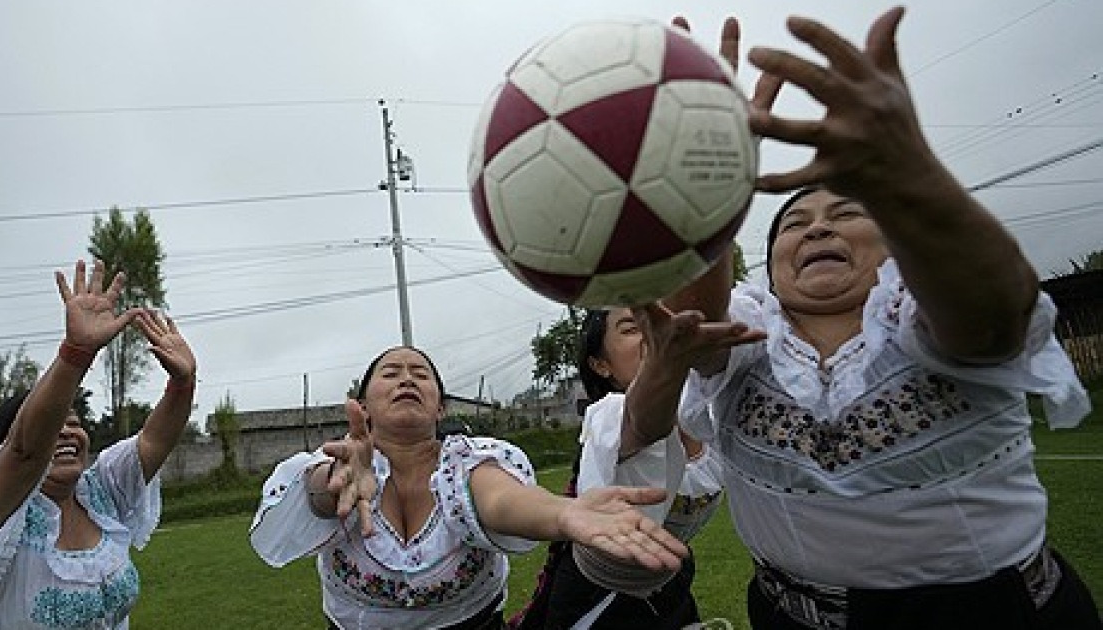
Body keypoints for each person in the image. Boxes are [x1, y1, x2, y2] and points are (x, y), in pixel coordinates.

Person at [675, 7, 1100, 629]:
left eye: (847, 213)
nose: (817, 224)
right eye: (793, 223)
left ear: (899, 245)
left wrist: (911, 176)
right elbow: (694, 323)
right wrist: (709, 187)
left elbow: (993, 318)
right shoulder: (751, 327)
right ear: (770, 271)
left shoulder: (920, 304)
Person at [249, 345, 690, 630]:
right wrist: (335, 481)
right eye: (391, 373)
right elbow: (320, 497)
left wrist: (563, 514)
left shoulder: (468, 460)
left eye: (420, 374)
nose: (406, 378)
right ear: (362, 405)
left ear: (439, 406)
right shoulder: (336, 462)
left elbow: (498, 498)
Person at [0, 260, 198, 629]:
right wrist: (76, 353)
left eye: (75, 424)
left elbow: (154, 439)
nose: (66, 433)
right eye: (53, 428)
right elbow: (25, 454)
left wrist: (183, 383)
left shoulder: (101, 494)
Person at [511, 300, 758, 630]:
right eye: (631, 328)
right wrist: (667, 361)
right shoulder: (611, 417)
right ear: (601, 365)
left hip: (668, 584)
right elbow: (644, 424)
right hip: (597, 601)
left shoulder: (706, 419)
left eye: (658, 322)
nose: (654, 333)